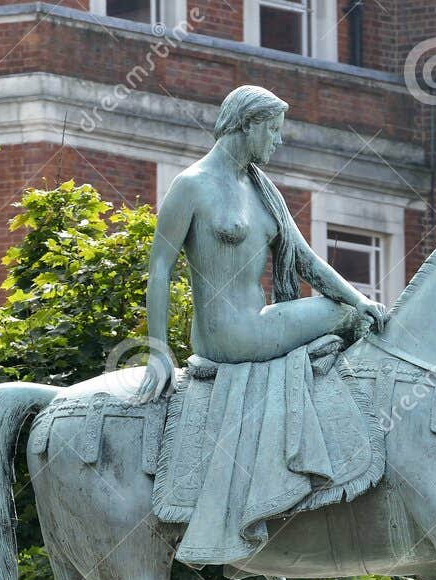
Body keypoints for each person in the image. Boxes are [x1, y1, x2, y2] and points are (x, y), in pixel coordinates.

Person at [135, 83, 387, 402]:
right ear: (248, 124)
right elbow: (160, 268)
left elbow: (305, 262)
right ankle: (329, 404)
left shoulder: (262, 191)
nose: (277, 141)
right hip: (229, 337)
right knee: (346, 316)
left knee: (354, 310)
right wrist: (157, 353)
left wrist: (360, 299)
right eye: (272, 130)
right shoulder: (191, 185)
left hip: (259, 323)